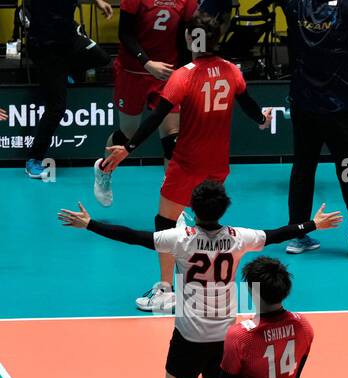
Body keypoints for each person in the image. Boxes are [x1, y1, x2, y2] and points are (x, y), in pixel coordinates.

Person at [57, 180, 339, 378]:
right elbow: (275, 235)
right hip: (224, 339)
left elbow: (135, 237)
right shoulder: (239, 237)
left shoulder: (180, 238)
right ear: (224, 208)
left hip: (188, 337)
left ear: (192, 209)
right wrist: (312, 223)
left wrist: (90, 224)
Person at [101, 12, 274, 313]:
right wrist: (262, 119)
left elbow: (155, 117)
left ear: (189, 39)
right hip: (218, 166)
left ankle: (166, 288)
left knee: (165, 224)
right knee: (208, 224)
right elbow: (248, 104)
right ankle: (205, 287)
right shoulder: (232, 71)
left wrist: (127, 148)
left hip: (185, 165)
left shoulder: (183, 75)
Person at [276, 0, 348, 259]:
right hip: (339, 111)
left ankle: (298, 235)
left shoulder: (295, 6)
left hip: (304, 107)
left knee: (303, 170)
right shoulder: (345, 9)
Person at [93, 0, 198, 208]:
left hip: (167, 74)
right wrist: (147, 63)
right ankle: (103, 170)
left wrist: (187, 69)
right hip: (133, 72)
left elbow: (189, 34)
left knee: (172, 141)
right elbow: (125, 34)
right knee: (128, 134)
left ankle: (173, 204)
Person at [22, 0, 114, 180]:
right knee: (56, 107)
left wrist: (98, 2)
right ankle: (34, 159)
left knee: (102, 58)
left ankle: (68, 72)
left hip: (68, 39)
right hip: (45, 47)